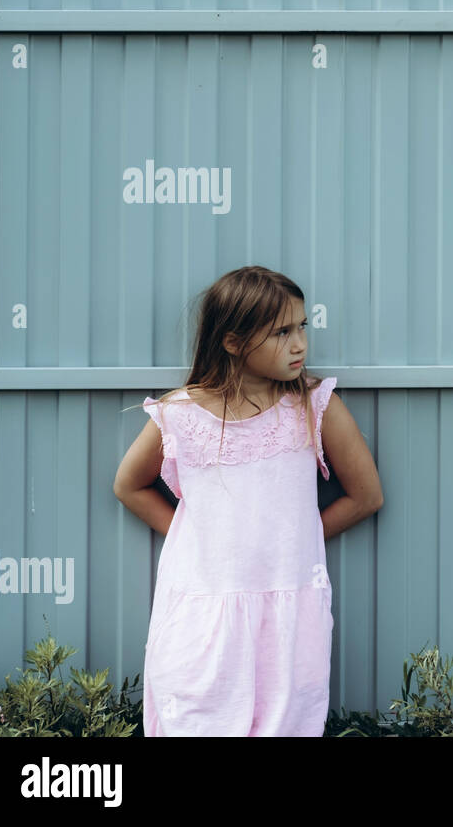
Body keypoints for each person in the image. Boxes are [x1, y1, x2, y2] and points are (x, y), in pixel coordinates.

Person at [113, 266, 384, 736]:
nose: (299, 343)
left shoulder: (312, 407)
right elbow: (128, 486)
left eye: (302, 326)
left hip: (287, 616)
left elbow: (366, 496)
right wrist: (194, 535)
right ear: (234, 342)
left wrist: (293, 538)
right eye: (281, 332)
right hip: (202, 613)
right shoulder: (180, 415)